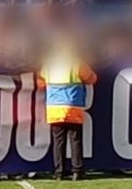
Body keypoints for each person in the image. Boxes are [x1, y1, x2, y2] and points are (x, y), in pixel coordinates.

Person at [38, 43, 97, 181]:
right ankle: (77, 171)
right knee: (75, 139)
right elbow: (92, 79)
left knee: (58, 141)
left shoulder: (48, 64)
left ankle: (59, 172)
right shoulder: (77, 62)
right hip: (73, 106)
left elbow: (40, 83)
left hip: (54, 108)